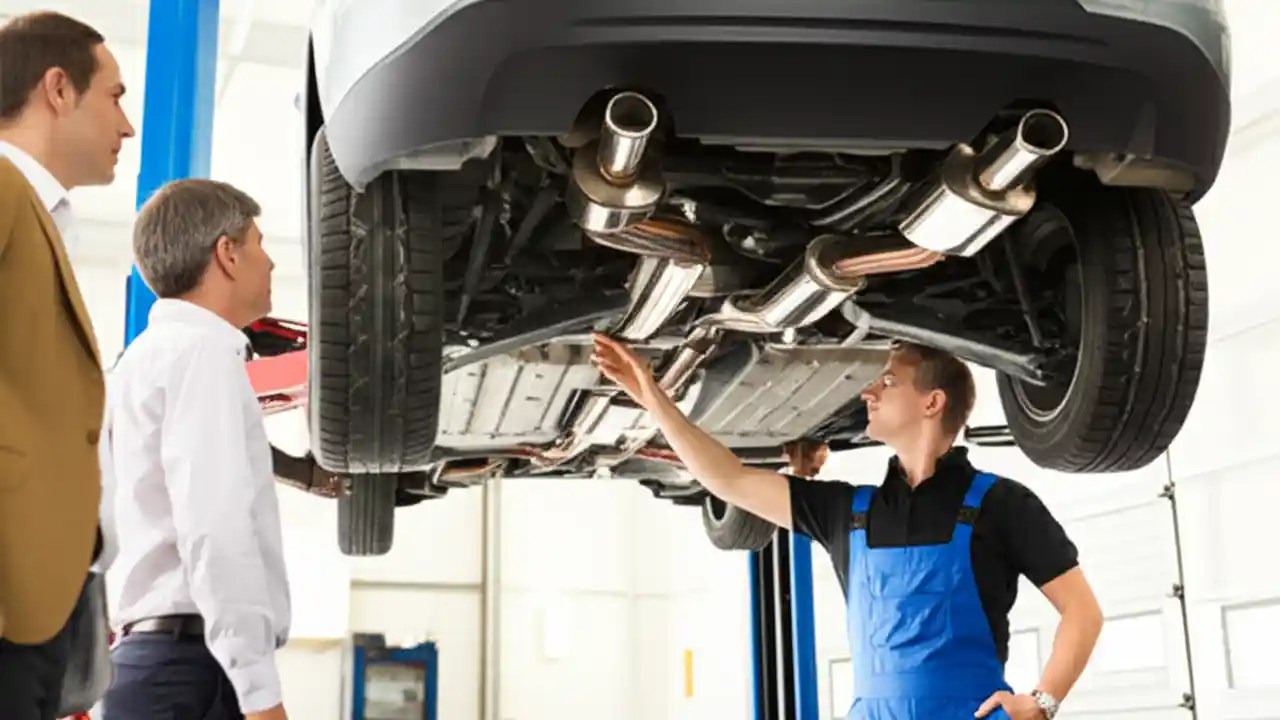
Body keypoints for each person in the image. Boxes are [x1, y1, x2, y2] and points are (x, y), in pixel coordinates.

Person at [592, 334, 1104, 720]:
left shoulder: (1001, 503)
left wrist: (1042, 702)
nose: (868, 392)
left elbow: (1082, 611)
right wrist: (653, 397)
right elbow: (728, 479)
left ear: (932, 403)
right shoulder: (847, 511)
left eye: (888, 381)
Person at [97, 179, 290, 720]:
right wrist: (260, 694)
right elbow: (215, 529)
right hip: (192, 671)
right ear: (227, 253)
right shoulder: (204, 353)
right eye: (259, 243)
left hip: (147, 666)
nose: (270, 262)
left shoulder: (139, 361)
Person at [0, 11, 135, 719]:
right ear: (58, 88)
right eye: (114, 96)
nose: (128, 125)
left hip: (45, 605)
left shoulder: (40, 214)